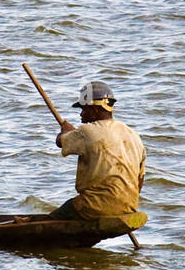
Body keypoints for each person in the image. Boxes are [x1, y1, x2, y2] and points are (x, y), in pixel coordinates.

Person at [49, 81, 145, 219]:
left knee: (54, 219)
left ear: (94, 110)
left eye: (84, 110)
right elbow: (139, 180)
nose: (81, 115)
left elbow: (60, 142)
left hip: (94, 205)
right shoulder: (133, 135)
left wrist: (66, 131)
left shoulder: (86, 131)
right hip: (129, 206)